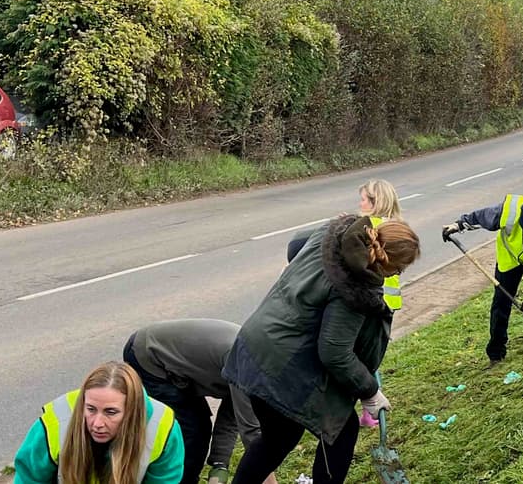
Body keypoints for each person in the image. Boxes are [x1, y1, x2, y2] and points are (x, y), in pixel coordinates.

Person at [223, 216, 420, 484]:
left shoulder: (335, 234)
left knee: (277, 439)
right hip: (281, 364)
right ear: (386, 261)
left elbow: (295, 245)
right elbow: (334, 353)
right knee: (341, 430)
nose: (398, 275)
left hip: (255, 342)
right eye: (400, 267)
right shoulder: (355, 289)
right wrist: (370, 392)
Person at [123, 320, 277, 484]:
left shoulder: (261, 369)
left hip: (172, 362)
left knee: (199, 427)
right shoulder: (251, 367)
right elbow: (252, 434)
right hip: (149, 355)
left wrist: (220, 464)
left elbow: (232, 413)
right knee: (190, 431)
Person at [14, 361, 184, 484]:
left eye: (111, 412)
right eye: (90, 409)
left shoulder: (162, 428)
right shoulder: (56, 423)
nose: (97, 424)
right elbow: (28, 479)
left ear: (132, 412)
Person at [442, 194, 523, 364]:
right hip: (510, 258)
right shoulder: (510, 212)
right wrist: (458, 225)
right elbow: (481, 217)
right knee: (501, 303)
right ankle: (496, 353)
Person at [287, 179, 404, 311]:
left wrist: (344, 226)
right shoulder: (395, 229)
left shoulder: (364, 228)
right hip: (389, 300)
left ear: (375, 202)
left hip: (371, 298)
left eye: (363, 200)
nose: (360, 204)